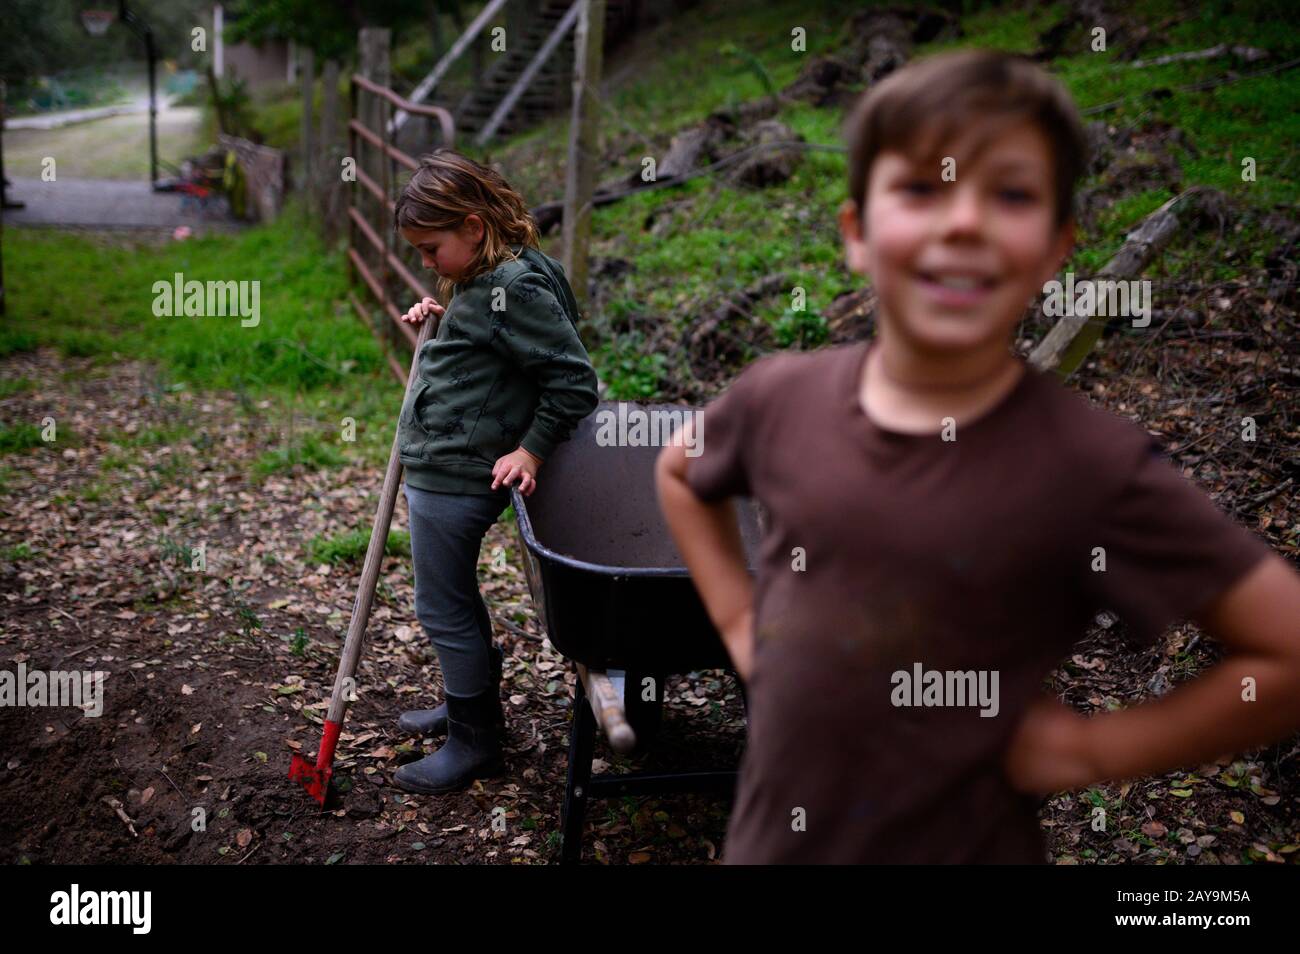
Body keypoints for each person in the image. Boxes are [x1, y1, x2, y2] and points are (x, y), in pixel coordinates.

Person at [655, 50, 1300, 863]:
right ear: (856, 233)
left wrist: (1097, 751)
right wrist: (741, 624)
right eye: (922, 188)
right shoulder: (777, 396)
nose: (964, 222)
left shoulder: (1088, 466)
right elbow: (678, 471)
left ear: (1056, 247)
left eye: (1012, 194)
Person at [391, 150, 598, 794]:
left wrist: (531, 451)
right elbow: (492, 346)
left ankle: (476, 740)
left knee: (440, 605)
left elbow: (573, 381)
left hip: (458, 473)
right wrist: (442, 317)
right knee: (454, 600)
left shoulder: (517, 287)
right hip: (448, 461)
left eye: (432, 248)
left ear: (475, 228)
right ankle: (466, 702)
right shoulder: (492, 280)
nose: (426, 262)